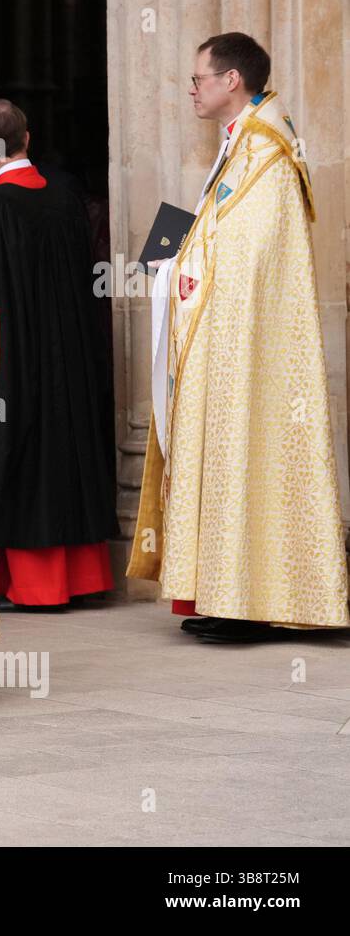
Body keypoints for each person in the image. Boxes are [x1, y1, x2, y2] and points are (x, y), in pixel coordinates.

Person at [129, 32, 349, 642]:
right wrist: (174, 257)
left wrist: (177, 264)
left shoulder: (266, 152)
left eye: (199, 78)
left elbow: (251, 257)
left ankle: (249, 600)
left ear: (232, 81)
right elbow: (218, 235)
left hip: (247, 343)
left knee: (244, 451)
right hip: (223, 337)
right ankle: (226, 593)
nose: (192, 89)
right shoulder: (241, 145)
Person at [0, 99, 116, 608]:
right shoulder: (67, 195)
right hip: (70, 358)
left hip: (18, 367)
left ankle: (31, 585)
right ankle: (84, 577)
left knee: (17, 467)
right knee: (67, 458)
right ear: (27, 139)